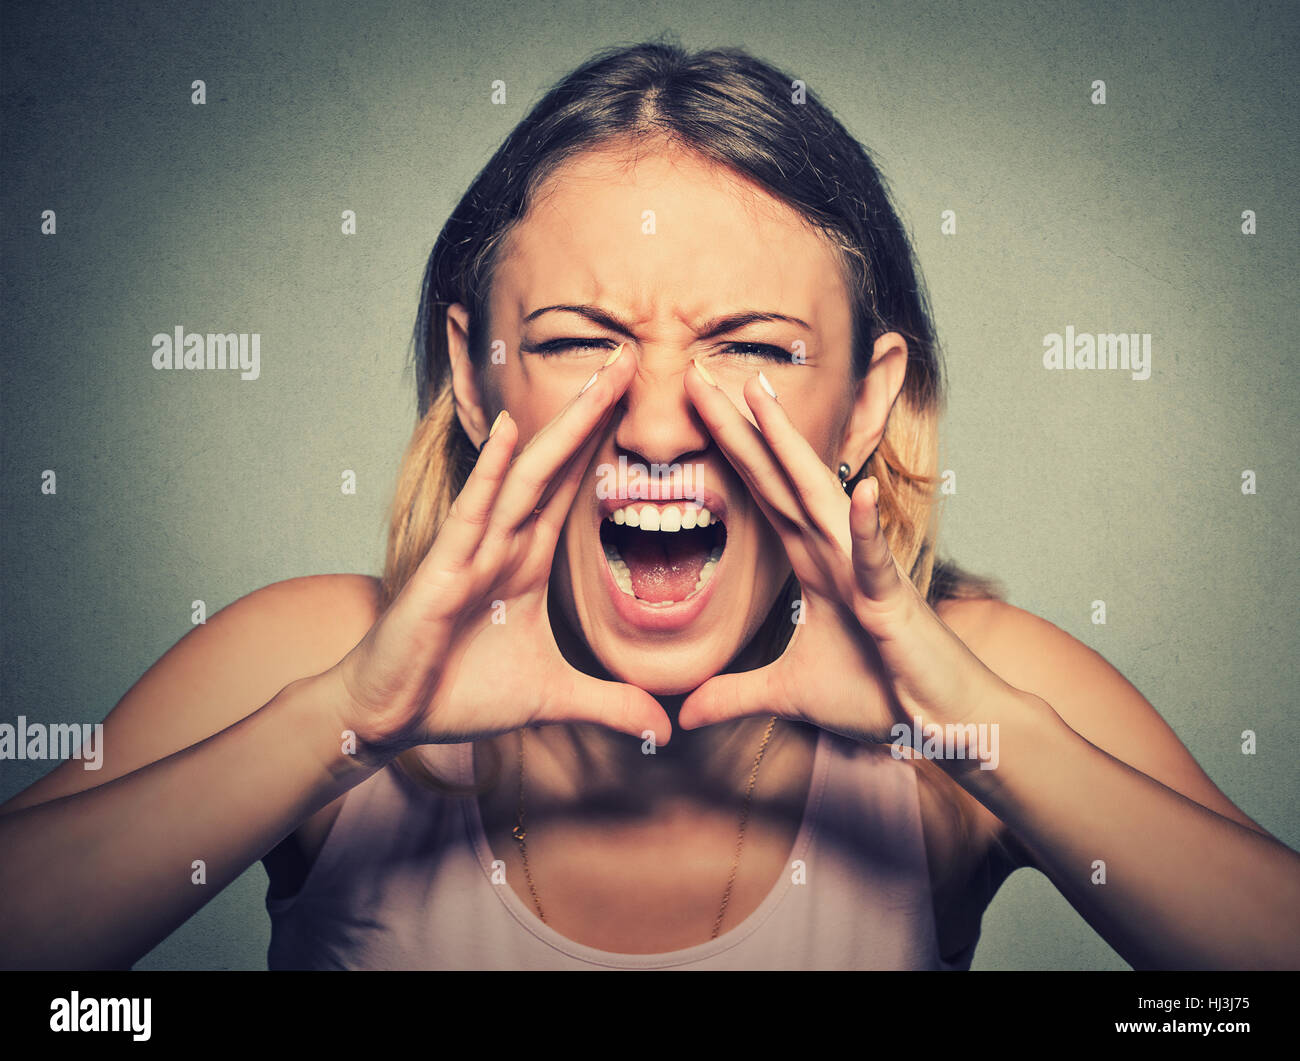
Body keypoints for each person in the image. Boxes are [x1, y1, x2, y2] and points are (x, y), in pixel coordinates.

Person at [2, 40, 1297, 971]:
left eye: (755, 346)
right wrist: (341, 724)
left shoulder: (972, 699)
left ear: (862, 401)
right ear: (474, 371)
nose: (663, 419)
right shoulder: (316, 656)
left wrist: (979, 726)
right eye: (578, 340)